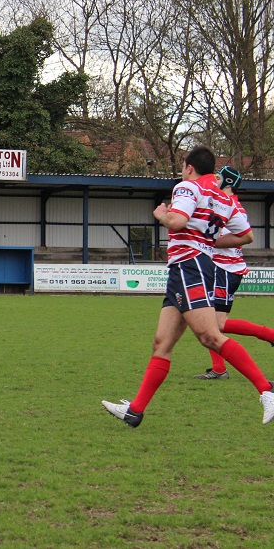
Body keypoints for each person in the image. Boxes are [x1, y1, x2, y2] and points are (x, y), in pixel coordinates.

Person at [103, 147, 274, 427]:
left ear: (189, 166)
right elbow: (246, 236)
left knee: (210, 336)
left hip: (188, 266)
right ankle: (135, 411)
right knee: (162, 343)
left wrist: (161, 214)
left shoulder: (187, 187)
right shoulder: (224, 198)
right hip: (194, 266)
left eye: (183, 166)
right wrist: (208, 242)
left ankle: (266, 390)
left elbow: (178, 221)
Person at [192, 166, 274, 379]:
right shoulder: (222, 204)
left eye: (218, 177)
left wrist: (209, 242)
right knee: (208, 321)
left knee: (215, 324)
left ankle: (269, 334)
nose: (214, 180)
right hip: (222, 269)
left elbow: (245, 238)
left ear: (227, 183)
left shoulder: (231, 206)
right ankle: (219, 368)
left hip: (225, 270)